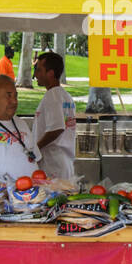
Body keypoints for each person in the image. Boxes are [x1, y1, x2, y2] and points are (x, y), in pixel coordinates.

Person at [32, 51, 76, 179]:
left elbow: (57, 128)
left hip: (53, 164)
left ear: (50, 73)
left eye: (39, 70)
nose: (35, 75)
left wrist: (35, 148)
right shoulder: (65, 96)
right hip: (63, 161)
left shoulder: (53, 96)